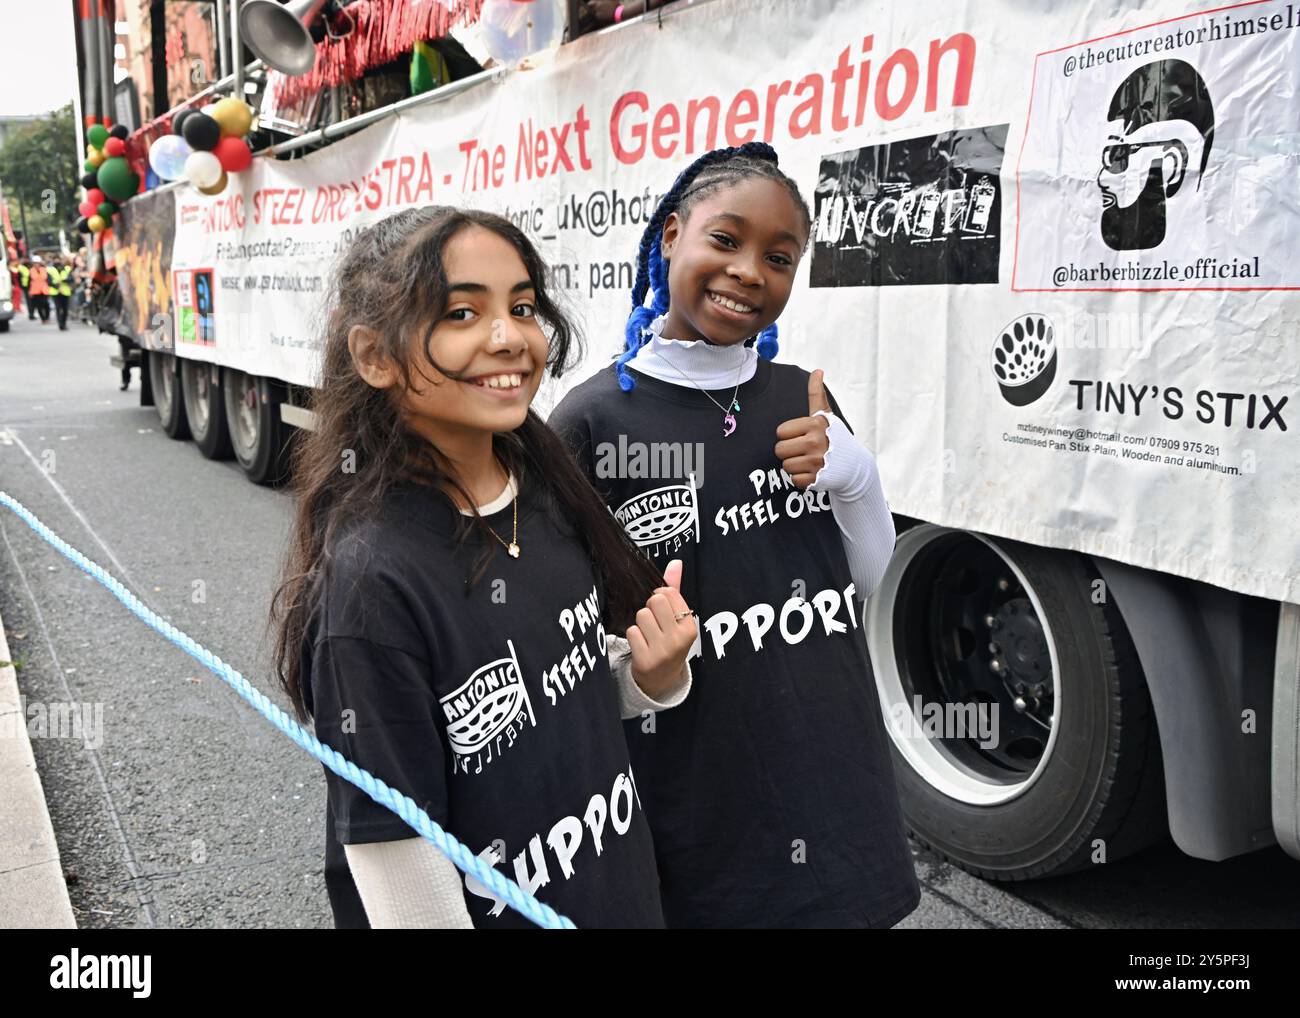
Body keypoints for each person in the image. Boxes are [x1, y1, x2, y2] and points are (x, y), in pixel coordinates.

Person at [269, 205, 698, 929]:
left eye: (523, 306)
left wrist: (652, 677)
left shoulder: (548, 491)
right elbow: (398, 866)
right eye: (462, 312)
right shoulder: (372, 585)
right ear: (374, 355)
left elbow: (557, 698)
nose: (509, 338)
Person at [548, 143, 921, 929]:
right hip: (695, 784)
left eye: (779, 257)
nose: (750, 271)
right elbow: (561, 635)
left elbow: (862, 577)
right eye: (725, 240)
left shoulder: (802, 398)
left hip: (833, 768)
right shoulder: (592, 420)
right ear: (671, 236)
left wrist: (857, 478)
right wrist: (638, 668)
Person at [49, 256, 73, 330]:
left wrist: (63, 280)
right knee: (58, 308)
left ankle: (64, 323)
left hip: (65, 292)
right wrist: (56, 286)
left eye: (58, 260)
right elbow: (49, 281)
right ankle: (60, 324)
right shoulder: (50, 270)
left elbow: (71, 279)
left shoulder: (67, 269)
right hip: (55, 292)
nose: (57, 261)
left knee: (65, 309)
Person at [27, 256, 51, 324]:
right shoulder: (31, 270)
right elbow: (29, 282)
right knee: (39, 306)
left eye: (37, 263)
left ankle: (47, 317)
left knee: (46, 304)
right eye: (35, 263)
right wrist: (29, 291)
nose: (36, 264)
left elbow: (48, 280)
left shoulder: (44, 269)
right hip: (35, 291)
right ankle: (43, 319)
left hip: (44, 290)